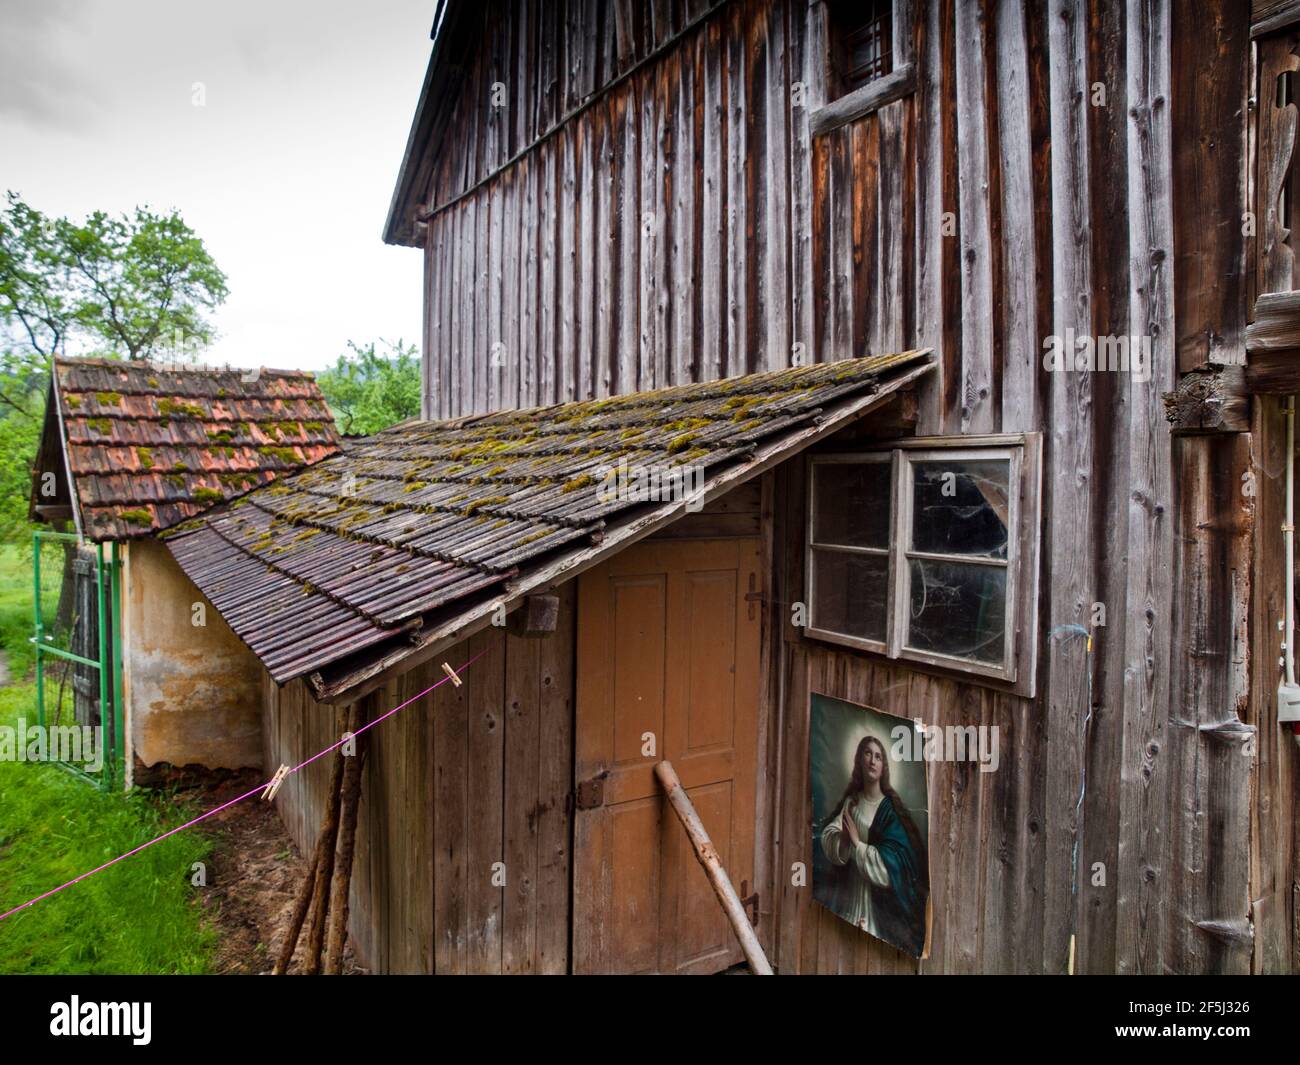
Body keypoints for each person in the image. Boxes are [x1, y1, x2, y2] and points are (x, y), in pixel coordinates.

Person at [819, 734, 928, 956]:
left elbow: (895, 866)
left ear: (883, 767)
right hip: (851, 893)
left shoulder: (890, 810)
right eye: (867, 753)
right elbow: (829, 837)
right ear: (860, 760)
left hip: (877, 904)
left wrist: (858, 845)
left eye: (878, 756)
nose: (872, 760)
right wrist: (844, 841)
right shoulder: (852, 802)